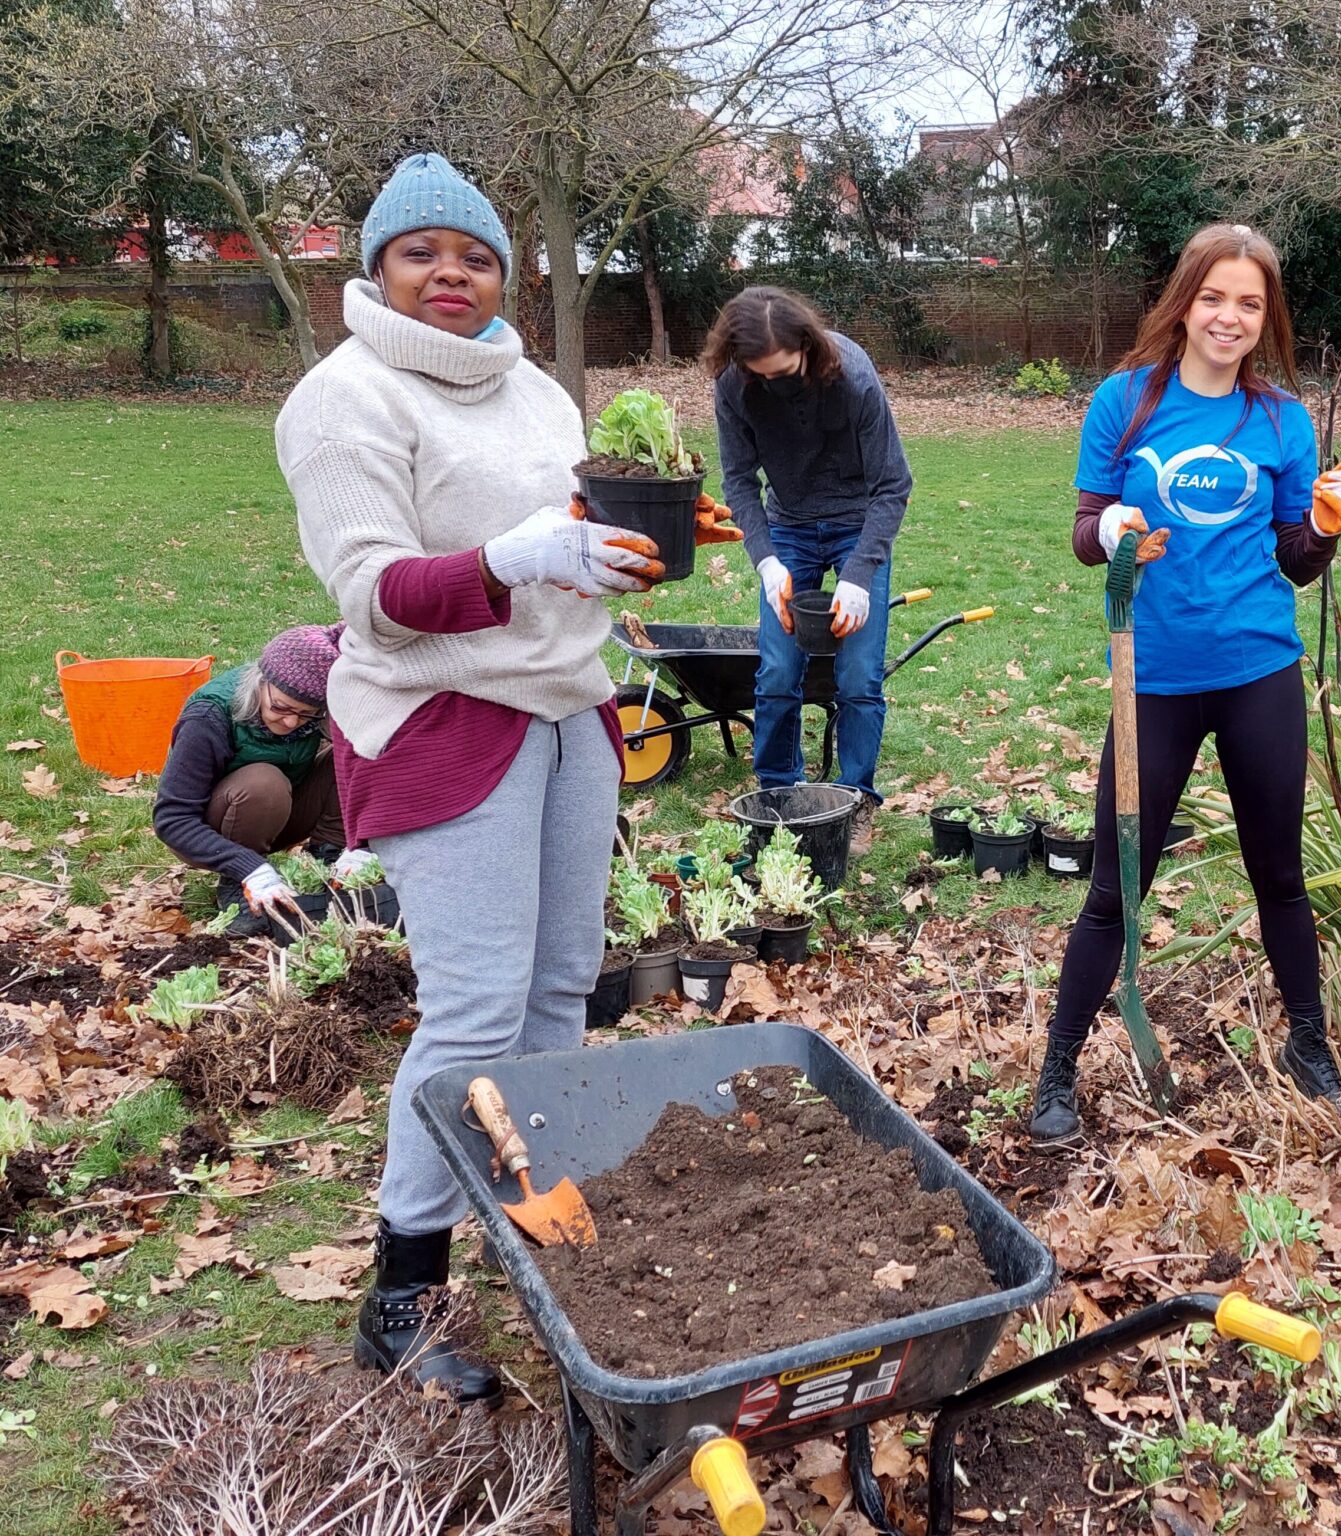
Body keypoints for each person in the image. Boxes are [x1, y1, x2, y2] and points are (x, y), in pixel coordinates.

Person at [274, 152, 696, 1406]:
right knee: (470, 1012)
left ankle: (531, 1214)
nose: (451, 275)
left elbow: (566, 528)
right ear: (377, 267)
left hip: (571, 711)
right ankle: (401, 1290)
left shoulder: (535, 391)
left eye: (476, 257)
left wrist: (616, 546)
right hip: (442, 723)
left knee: (564, 987)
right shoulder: (344, 400)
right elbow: (375, 600)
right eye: (423, 253)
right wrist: (512, 557)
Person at [1027, 222, 1341, 1146]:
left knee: (1279, 876)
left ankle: (1309, 1045)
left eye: (1249, 303)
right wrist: (1111, 534)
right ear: (1185, 302)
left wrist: (1330, 521)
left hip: (1259, 668)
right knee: (1116, 885)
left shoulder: (1281, 421)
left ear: (1267, 318)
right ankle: (1058, 1067)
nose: (1230, 317)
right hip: (1156, 679)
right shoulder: (1126, 403)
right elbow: (1085, 525)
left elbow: (1297, 560)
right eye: (1215, 297)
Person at [703, 287, 913, 858]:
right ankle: (775, 796)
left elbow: (894, 485)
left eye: (787, 371)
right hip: (788, 528)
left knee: (859, 678)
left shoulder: (852, 377)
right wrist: (767, 561)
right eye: (761, 374)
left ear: (807, 347)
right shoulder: (733, 386)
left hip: (856, 525)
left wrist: (860, 572)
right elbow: (740, 481)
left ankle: (856, 799)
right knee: (776, 671)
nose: (776, 384)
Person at [153, 623, 354, 935]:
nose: (290, 722)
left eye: (307, 715)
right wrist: (248, 867)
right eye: (281, 707)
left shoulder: (316, 710)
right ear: (261, 682)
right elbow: (172, 819)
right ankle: (238, 885)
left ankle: (325, 866)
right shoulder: (209, 715)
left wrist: (361, 842)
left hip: (281, 810)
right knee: (264, 784)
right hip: (213, 826)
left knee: (349, 756)